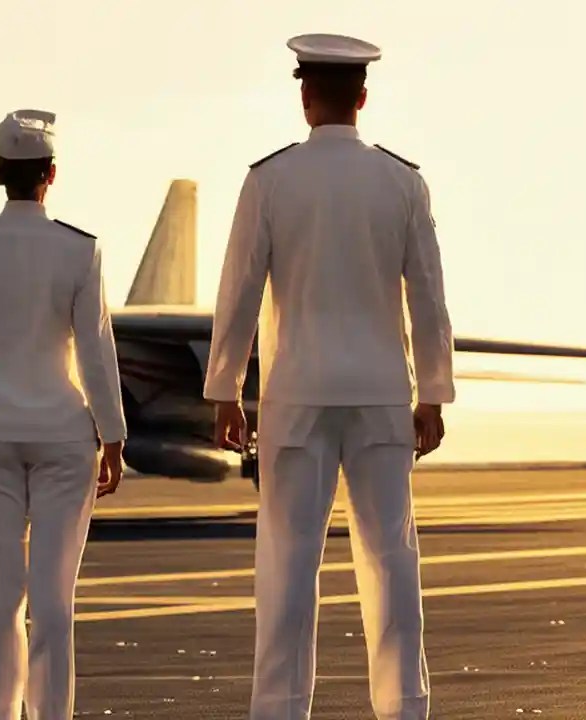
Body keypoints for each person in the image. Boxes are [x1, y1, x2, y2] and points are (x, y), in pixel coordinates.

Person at [203, 34, 455, 720]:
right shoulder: (403, 180)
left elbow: (240, 290)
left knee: (288, 568)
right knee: (391, 564)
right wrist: (432, 392)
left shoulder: (271, 178)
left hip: (299, 393)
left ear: (306, 95)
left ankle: (279, 711)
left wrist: (224, 389)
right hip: (379, 395)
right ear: (363, 97)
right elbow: (428, 298)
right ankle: (405, 707)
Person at [0, 108, 127, 720]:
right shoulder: (80, 249)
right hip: (64, 436)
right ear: (52, 174)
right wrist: (115, 435)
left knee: (0, 600)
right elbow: (96, 350)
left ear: (0, 172)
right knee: (52, 602)